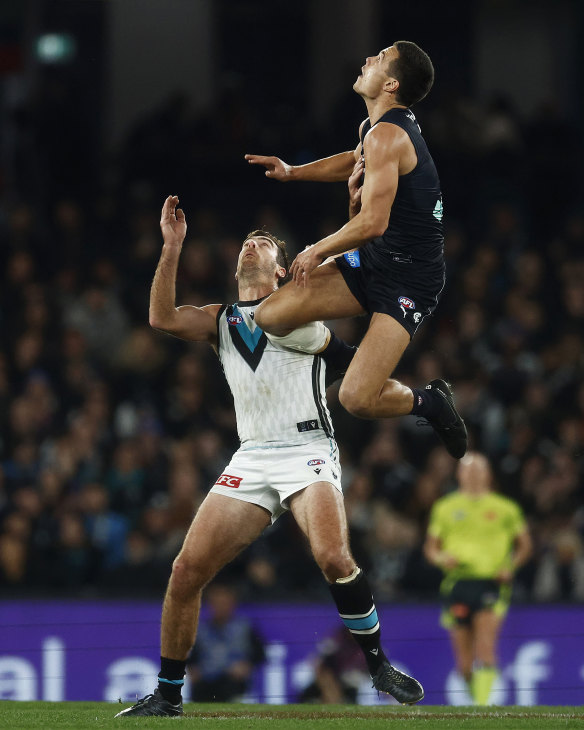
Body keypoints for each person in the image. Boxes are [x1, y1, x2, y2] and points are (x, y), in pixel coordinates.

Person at [115, 196, 424, 717]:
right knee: (186, 570)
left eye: (262, 243)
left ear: (283, 272)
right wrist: (172, 248)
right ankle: (168, 695)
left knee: (332, 558)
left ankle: (377, 666)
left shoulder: (302, 307)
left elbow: (353, 359)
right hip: (253, 456)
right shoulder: (220, 319)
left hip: (307, 449)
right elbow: (161, 318)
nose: (249, 244)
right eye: (245, 242)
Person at [245, 41, 467, 460]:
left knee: (357, 399)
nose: (368, 59)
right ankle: (348, 356)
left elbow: (373, 222)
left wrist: (317, 248)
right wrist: (292, 172)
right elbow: (354, 159)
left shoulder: (389, 135)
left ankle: (431, 402)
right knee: (270, 316)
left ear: (391, 83)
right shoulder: (374, 130)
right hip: (373, 259)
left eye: (380, 58)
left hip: (409, 279)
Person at [423, 451, 532, 705]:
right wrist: (441, 558)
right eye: (468, 470)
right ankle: (476, 700)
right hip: (457, 584)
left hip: (491, 582)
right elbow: (431, 548)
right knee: (463, 663)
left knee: (484, 647)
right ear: (459, 474)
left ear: (488, 475)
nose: (472, 475)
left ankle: (482, 710)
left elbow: (525, 545)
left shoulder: (505, 509)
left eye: (478, 470)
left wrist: (511, 566)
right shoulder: (445, 507)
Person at [186, 582, 265, 702]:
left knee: (232, 688)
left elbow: (260, 654)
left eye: (224, 603)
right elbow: (191, 658)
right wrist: (193, 669)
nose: (220, 607)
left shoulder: (244, 628)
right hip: (205, 680)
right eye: (216, 604)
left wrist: (246, 665)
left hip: (232, 680)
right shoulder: (201, 630)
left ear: (232, 604)